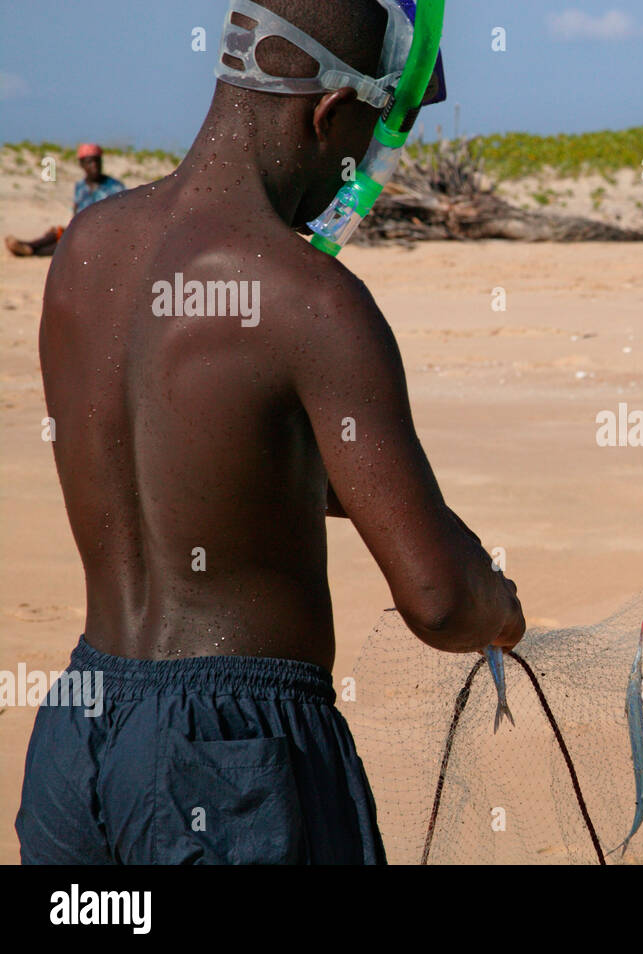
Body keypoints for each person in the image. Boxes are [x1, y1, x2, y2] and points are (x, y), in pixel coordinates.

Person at [16, 0, 523, 864]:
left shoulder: (88, 249)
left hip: (80, 726)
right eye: (369, 144)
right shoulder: (313, 302)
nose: (364, 177)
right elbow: (438, 601)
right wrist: (499, 610)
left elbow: (190, 468)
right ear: (328, 113)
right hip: (229, 757)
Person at [4, 143, 126, 257]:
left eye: (97, 161)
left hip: (102, 233)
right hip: (80, 229)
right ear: (82, 165)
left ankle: (31, 249)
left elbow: (121, 216)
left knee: (69, 244)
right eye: (90, 162)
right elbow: (76, 211)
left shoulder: (115, 187)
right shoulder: (80, 186)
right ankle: (29, 246)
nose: (94, 166)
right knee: (58, 234)